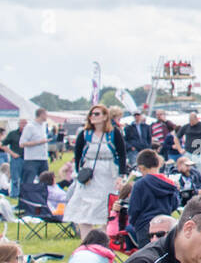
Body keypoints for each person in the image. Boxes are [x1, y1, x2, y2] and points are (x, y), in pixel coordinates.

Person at [64, 104, 128, 238]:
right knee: (84, 207)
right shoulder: (84, 134)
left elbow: (122, 154)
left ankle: (104, 239)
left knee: (106, 206)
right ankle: (85, 241)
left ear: (105, 116)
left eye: (97, 114)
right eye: (91, 114)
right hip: (89, 173)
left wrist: (120, 175)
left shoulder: (114, 133)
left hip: (108, 172)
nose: (93, 116)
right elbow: (78, 154)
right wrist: (79, 173)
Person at [124, 150, 182, 248]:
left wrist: (134, 223)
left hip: (145, 226)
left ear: (141, 168)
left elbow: (134, 209)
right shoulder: (169, 183)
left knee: (148, 257)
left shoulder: (140, 184)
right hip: (165, 224)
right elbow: (175, 205)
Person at [19, 108, 51, 188]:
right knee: (29, 182)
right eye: (46, 114)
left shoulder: (43, 126)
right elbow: (22, 143)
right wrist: (39, 142)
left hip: (43, 158)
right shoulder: (30, 126)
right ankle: (27, 198)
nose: (47, 116)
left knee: (45, 182)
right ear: (41, 114)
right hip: (32, 159)